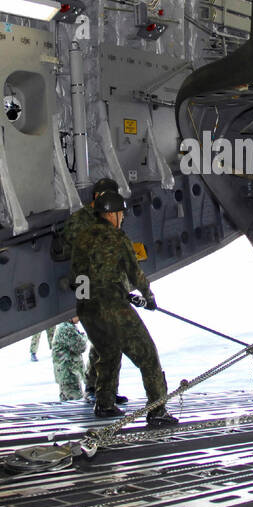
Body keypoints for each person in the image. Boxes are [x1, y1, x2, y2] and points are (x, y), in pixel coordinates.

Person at [71, 191, 176, 425]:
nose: (122, 217)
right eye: (120, 213)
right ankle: (157, 410)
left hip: (88, 309)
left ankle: (105, 404)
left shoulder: (82, 238)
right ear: (111, 213)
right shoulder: (118, 238)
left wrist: (86, 305)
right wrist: (148, 298)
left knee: (108, 353)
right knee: (147, 356)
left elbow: (78, 276)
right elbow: (135, 273)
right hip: (112, 308)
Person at [62, 177, 125, 403]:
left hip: (109, 288)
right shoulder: (80, 220)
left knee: (110, 340)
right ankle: (96, 389)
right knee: (104, 341)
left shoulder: (111, 215)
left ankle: (107, 389)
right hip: (88, 287)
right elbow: (60, 251)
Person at [50, 317, 88, 401]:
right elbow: (81, 346)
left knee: (65, 404)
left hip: (66, 374)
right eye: (77, 316)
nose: (79, 318)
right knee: (75, 404)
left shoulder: (66, 326)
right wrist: (84, 337)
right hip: (69, 375)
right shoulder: (66, 328)